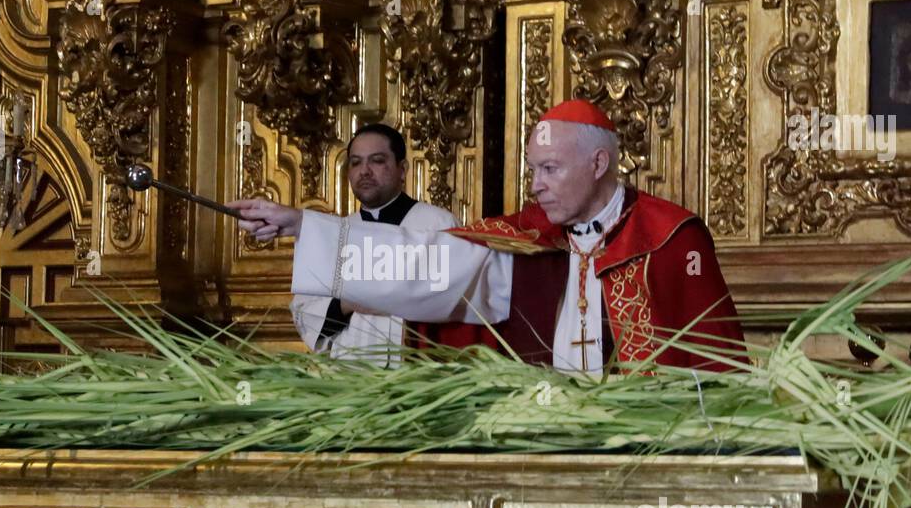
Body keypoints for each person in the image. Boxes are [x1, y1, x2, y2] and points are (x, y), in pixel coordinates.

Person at [236, 99, 746, 373]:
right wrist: (302, 224)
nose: (535, 185)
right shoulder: (526, 238)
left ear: (599, 164)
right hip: (552, 435)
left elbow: (713, 360)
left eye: (549, 169)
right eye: (532, 169)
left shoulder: (671, 237)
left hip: (644, 445)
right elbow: (425, 266)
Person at [290, 123, 457, 365]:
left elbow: (454, 301)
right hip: (350, 374)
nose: (364, 171)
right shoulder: (334, 234)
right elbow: (304, 310)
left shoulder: (438, 224)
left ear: (402, 169)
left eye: (377, 160)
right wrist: (348, 303)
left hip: (420, 372)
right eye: (356, 162)